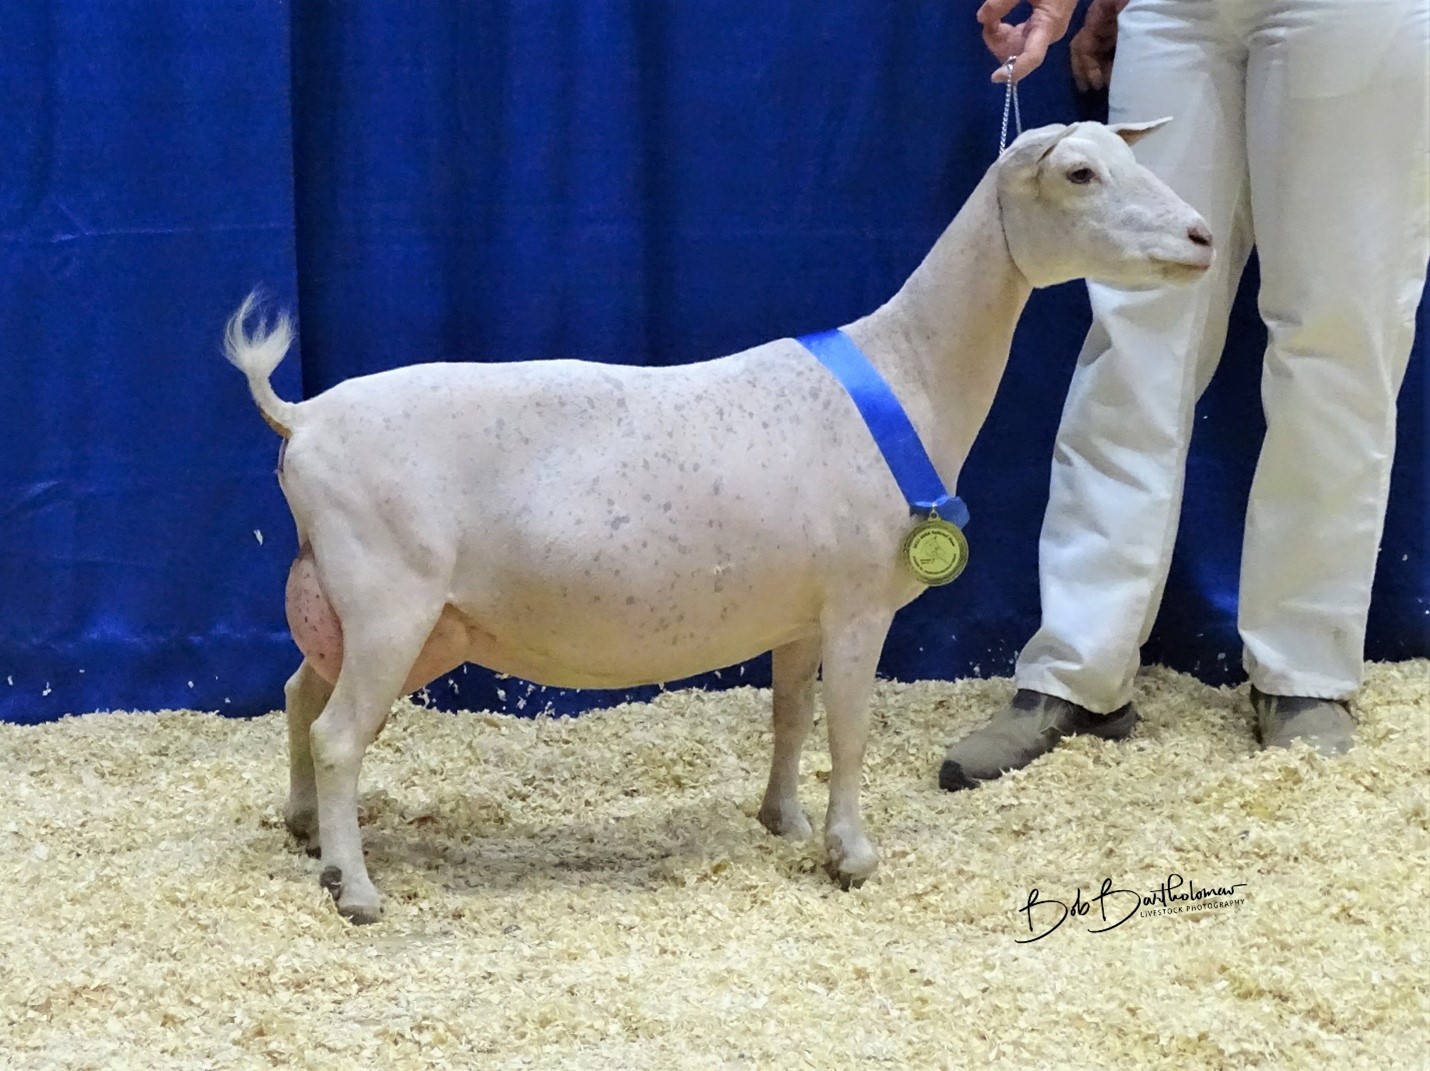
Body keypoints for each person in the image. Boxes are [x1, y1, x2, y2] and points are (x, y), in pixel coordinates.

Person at [942, 0, 1430, 790]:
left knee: (1338, 333)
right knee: (1136, 330)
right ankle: (1076, 670)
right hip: (1176, 10)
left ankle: (1305, 670)